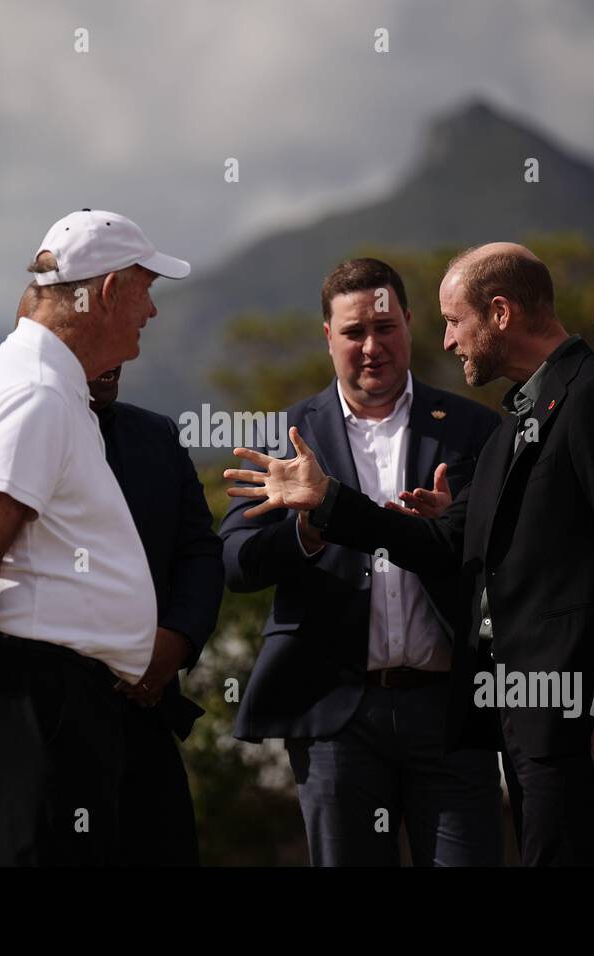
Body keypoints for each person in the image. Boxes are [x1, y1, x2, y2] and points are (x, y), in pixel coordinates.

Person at [227, 243, 594, 866]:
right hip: (516, 719)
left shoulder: (593, 395)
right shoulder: (520, 414)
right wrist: (327, 506)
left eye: (455, 321)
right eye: (356, 331)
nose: (451, 339)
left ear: (501, 313)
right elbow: (441, 543)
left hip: (565, 719)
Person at [0, 209, 190, 865]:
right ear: (106, 292)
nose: (152, 311)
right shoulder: (35, 393)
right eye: (146, 288)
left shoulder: (41, 385)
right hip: (35, 704)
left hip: (41, 701)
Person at [221, 257, 504, 866]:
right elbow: (235, 562)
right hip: (334, 716)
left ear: (409, 321)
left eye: (385, 328)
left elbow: (512, 564)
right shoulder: (285, 432)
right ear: (328, 336)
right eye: (354, 333)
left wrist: (453, 533)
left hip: (450, 711)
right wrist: (306, 534)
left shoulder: (475, 428)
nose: (372, 346)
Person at [89, 362, 223, 865]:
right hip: (51, 730)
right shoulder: (18, 433)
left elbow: (199, 552)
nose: (114, 360)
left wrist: (178, 640)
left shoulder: (156, 434)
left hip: (147, 717)